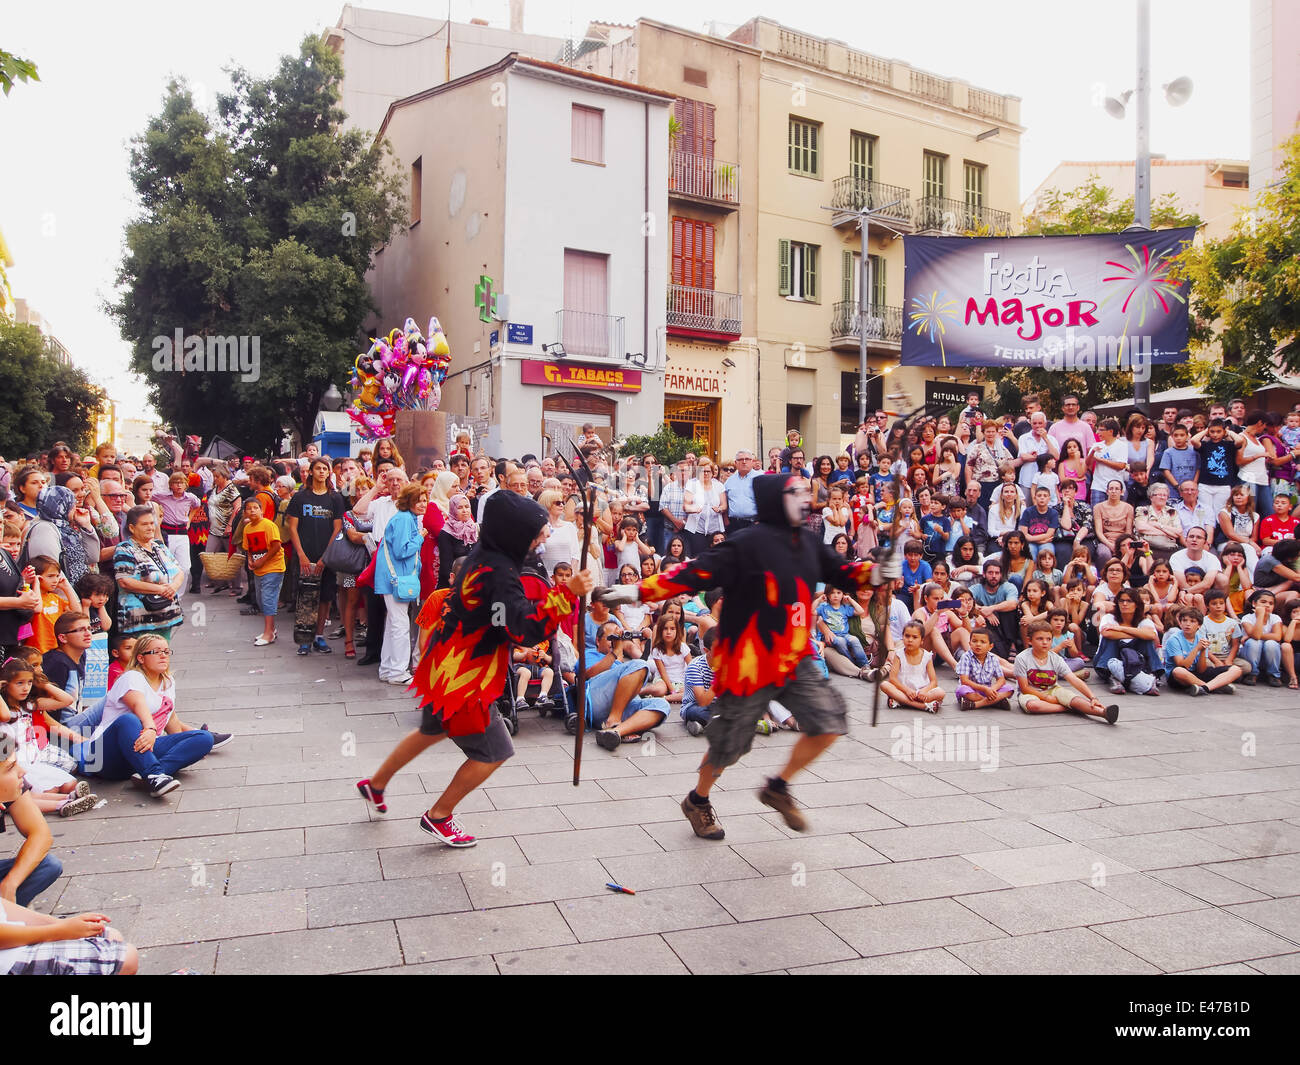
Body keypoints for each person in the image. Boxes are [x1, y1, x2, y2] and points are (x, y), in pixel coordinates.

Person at [596, 474, 881, 840]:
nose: (806, 498)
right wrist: (634, 591)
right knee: (729, 745)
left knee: (828, 723)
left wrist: (876, 572)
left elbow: (846, 571)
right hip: (747, 664)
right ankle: (697, 800)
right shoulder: (745, 544)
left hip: (796, 657)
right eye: (795, 492)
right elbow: (690, 573)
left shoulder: (809, 542)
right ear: (777, 500)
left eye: (805, 491)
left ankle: (777, 786)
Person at [356, 491, 593, 846]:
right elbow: (520, 627)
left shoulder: (485, 556)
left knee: (431, 730)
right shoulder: (498, 570)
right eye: (537, 531)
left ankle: (375, 784)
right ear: (514, 533)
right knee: (495, 751)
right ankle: (439, 815)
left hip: (446, 661)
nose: (543, 536)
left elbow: (501, 615)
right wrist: (565, 594)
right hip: (465, 677)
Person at [70, 633, 215, 796]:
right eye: (156, 652)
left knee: (204, 738)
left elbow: (171, 718)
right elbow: (137, 703)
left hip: (141, 754)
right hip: (105, 757)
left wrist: (186, 747)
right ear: (140, 658)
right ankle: (155, 774)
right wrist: (150, 729)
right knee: (128, 720)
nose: (163, 655)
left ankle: (149, 774)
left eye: (166, 652)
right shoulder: (131, 677)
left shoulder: (168, 682)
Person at [286, 458, 344, 656]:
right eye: (317, 468)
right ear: (310, 472)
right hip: (304, 554)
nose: (321, 472)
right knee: (305, 597)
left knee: (325, 598)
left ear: (329, 473)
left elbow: (337, 529)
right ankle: (304, 639)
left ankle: (319, 635)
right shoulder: (300, 497)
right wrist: (301, 555)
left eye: (324, 469)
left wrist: (325, 557)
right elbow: (292, 527)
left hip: (326, 557)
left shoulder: (335, 498)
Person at [1015, 622, 1118, 722]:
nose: (1045, 642)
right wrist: (1046, 698)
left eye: (1048, 639)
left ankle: (1103, 713)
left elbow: (1073, 679)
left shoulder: (1055, 658)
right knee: (1033, 706)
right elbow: (1025, 687)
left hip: (1053, 689)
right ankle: (1068, 708)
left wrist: (1092, 697)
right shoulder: (1022, 658)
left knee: (1074, 699)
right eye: (1040, 639)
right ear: (1029, 640)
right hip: (1030, 692)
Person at [113, 505, 185, 641]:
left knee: (162, 658)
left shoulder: (159, 546)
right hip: (140, 619)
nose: (150, 527)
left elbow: (178, 571)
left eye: (152, 523)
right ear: (132, 528)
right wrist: (160, 589)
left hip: (166, 615)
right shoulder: (125, 549)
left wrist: (173, 587)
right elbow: (125, 581)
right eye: (144, 524)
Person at [1162, 607, 1243, 696]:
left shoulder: (1201, 638)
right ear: (1180, 623)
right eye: (1184, 620)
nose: (1187, 624)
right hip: (1179, 677)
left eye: (1192, 621)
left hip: (1196, 673)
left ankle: (1204, 688)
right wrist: (1196, 649)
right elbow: (1182, 665)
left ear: (1199, 625)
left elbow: (1201, 670)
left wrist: (1203, 651)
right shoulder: (1174, 639)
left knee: (1236, 669)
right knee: (1178, 671)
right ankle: (1214, 686)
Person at [240, 495, 284, 647]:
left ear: (261, 510)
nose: (252, 511)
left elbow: (276, 546)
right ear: (245, 512)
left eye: (255, 508)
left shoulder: (268, 525)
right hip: (258, 569)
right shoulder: (247, 528)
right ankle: (271, 628)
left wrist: (261, 561)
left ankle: (268, 633)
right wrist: (251, 560)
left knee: (268, 598)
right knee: (260, 599)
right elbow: (248, 548)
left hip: (273, 567)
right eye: (249, 509)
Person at [955, 628, 1015, 711]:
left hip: (988, 690)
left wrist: (992, 689)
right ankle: (996, 702)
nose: (978, 644)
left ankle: (975, 704)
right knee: (962, 689)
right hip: (972, 690)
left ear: (990, 646)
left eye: (983, 642)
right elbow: (964, 681)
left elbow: (1001, 680)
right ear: (970, 643)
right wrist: (984, 689)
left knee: (1009, 689)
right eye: (974, 641)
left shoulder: (993, 658)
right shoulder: (966, 657)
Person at [1239, 589, 1285, 687]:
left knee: (1271, 643)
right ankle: (1252, 674)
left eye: (1271, 603)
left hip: (1268, 655)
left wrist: (1251, 635)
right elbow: (1256, 637)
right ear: (1254, 603)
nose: (1267, 605)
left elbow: (1277, 636)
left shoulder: (1275, 618)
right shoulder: (1247, 618)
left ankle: (1274, 675)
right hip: (1250, 654)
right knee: (1254, 642)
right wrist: (1260, 616)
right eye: (1263, 602)